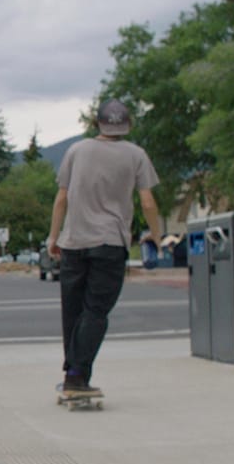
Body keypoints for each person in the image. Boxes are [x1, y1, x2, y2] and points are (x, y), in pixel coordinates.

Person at [46, 98, 161, 396]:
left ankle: (73, 373)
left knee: (73, 311)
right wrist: (157, 235)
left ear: (97, 123)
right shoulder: (136, 155)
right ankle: (76, 377)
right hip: (110, 243)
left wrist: (53, 237)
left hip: (74, 242)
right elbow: (147, 201)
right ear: (128, 125)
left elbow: (62, 198)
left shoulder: (76, 150)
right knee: (95, 311)